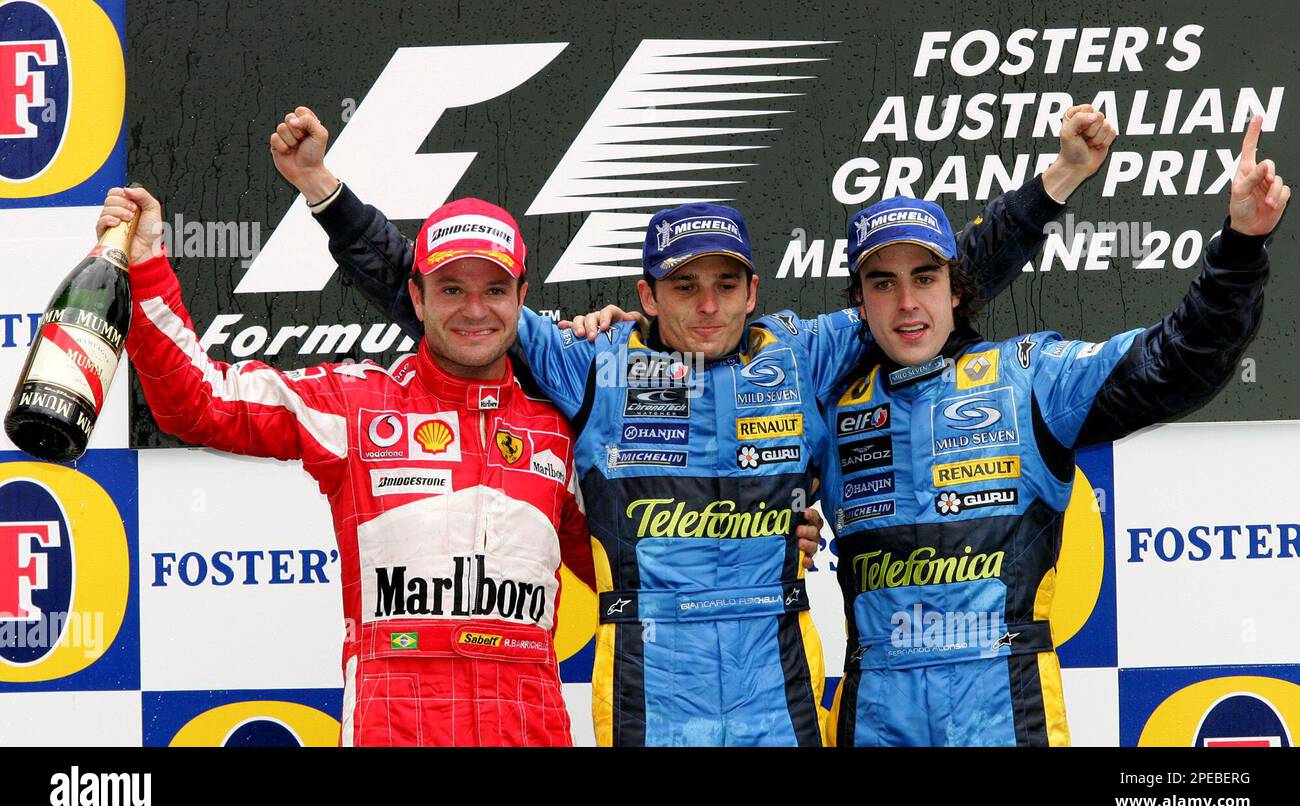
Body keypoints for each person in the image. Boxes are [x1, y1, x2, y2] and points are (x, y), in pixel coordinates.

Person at [270, 104, 1106, 745]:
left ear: (752, 290)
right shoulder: (591, 362)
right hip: (646, 683)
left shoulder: (808, 355)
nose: (707, 305)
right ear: (646, 295)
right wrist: (324, 193)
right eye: (683, 285)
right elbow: (446, 304)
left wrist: (1056, 181)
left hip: (773, 683)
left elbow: (943, 285)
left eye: (725, 284)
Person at [821, 115, 1286, 746]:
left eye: (925, 278)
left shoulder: (1029, 378)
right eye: (884, 283)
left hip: (1004, 719)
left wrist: (1240, 246)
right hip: (874, 723)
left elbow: (1178, 362)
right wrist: (639, 344)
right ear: (861, 301)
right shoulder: (823, 398)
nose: (907, 303)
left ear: (957, 290)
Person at [106, 185, 600, 746]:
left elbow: (641, 574)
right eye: (451, 288)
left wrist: (641, 349)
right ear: (416, 297)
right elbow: (198, 403)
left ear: (521, 298)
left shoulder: (561, 430)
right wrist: (145, 265)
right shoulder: (357, 407)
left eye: (494, 289)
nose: (474, 309)